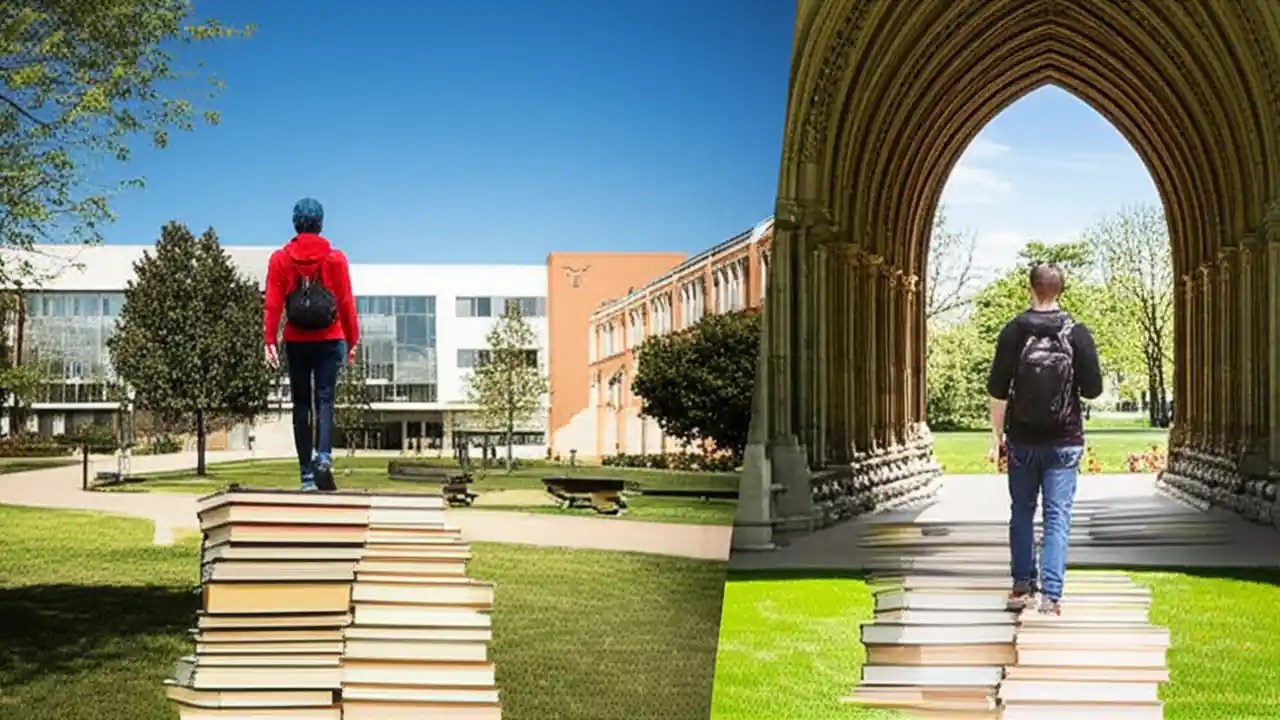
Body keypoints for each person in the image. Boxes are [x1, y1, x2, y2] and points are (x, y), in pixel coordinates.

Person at [985, 263, 1102, 616]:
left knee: (1021, 512)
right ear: (1060, 291)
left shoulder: (1013, 332)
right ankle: (1052, 596)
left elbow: (997, 392)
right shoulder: (1077, 333)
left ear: (1030, 289)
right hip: (1064, 440)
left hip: (1022, 439)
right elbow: (1094, 390)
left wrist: (997, 437)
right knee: (1057, 516)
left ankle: (1022, 585)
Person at [263, 198, 360, 491]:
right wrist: (353, 340)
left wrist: (269, 339)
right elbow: (345, 302)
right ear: (320, 224)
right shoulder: (336, 259)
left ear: (295, 223)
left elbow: (273, 303)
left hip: (297, 340)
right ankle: (324, 457)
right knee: (325, 401)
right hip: (330, 339)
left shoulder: (280, 259)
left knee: (301, 404)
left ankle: (306, 475)